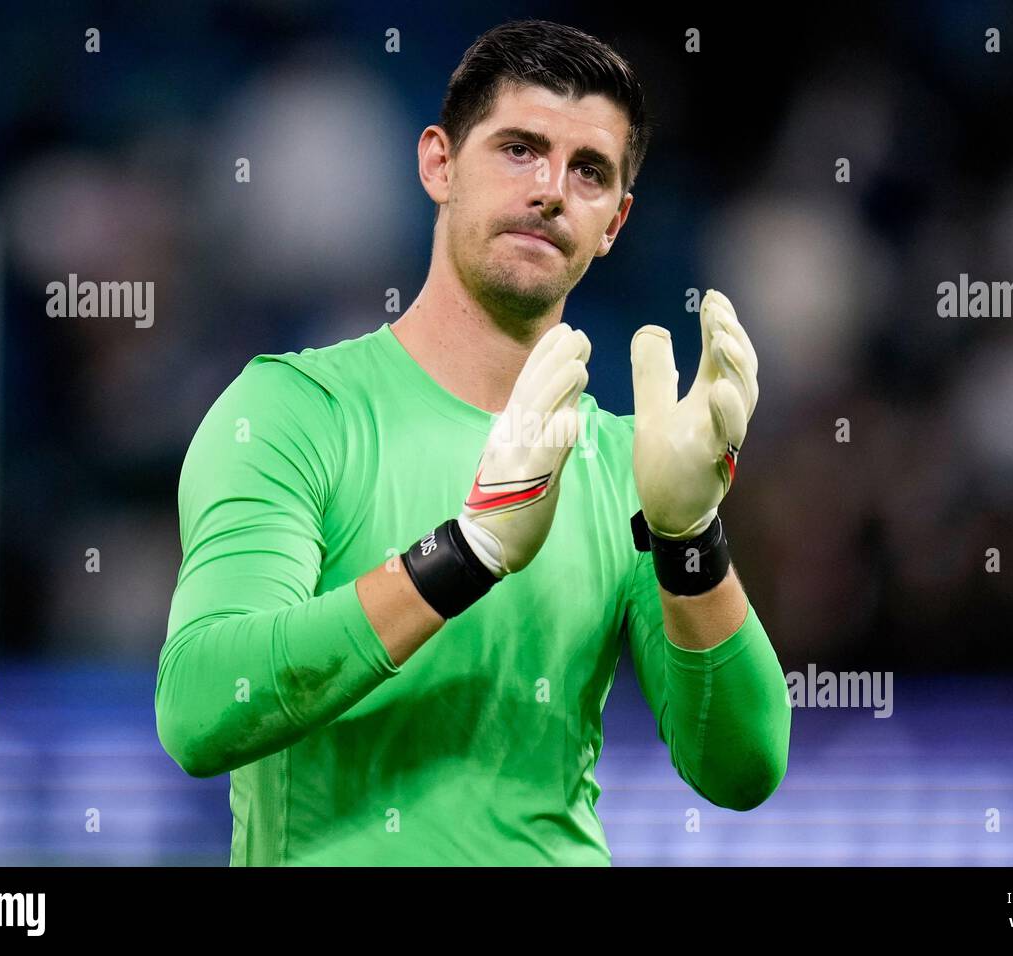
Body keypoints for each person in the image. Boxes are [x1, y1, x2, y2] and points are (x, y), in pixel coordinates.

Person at [155, 18, 791, 866]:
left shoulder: (631, 463)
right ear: (438, 163)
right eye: (520, 149)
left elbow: (742, 770)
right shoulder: (293, 409)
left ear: (615, 223)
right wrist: (467, 551)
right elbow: (200, 710)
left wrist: (690, 540)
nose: (552, 190)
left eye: (589, 172)